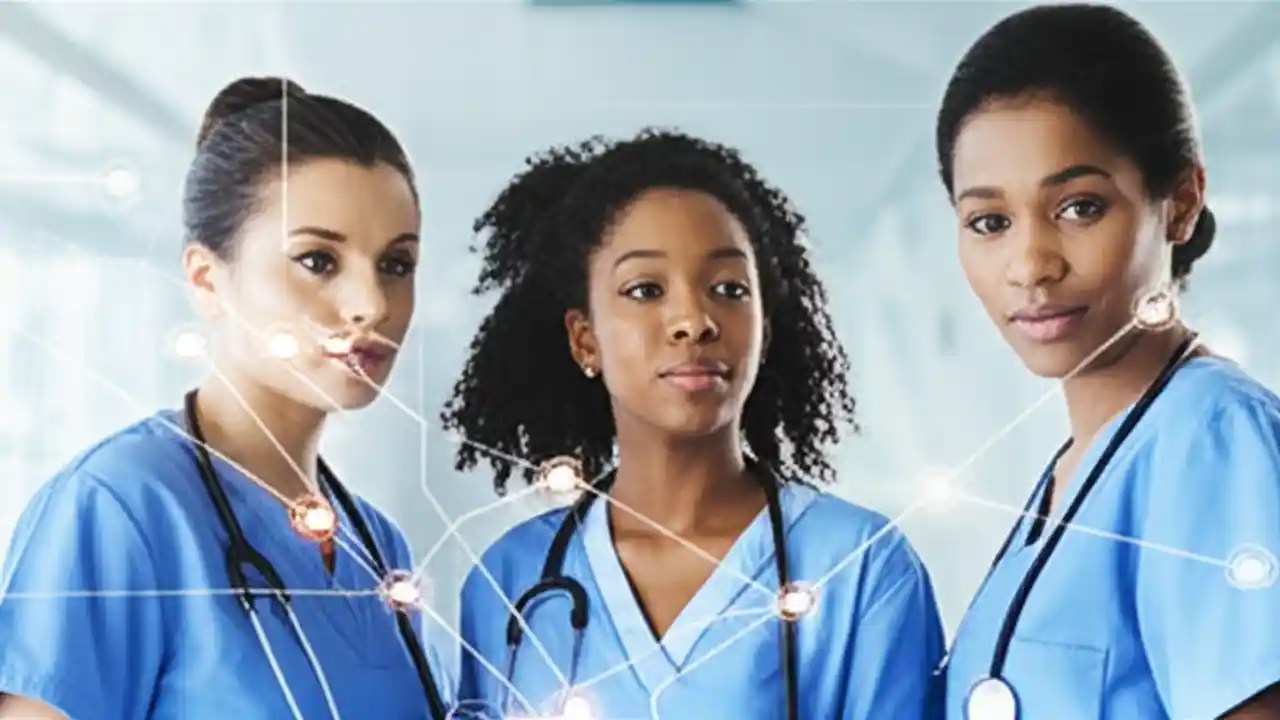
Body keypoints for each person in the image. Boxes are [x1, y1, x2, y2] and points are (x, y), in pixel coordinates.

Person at [440, 129, 945, 719]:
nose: (694, 320)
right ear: (586, 339)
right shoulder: (510, 581)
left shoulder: (860, 566)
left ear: (765, 327)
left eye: (729, 289)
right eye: (646, 289)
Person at [0, 77, 453, 720]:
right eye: (319, 261)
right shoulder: (121, 507)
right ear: (207, 280)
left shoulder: (377, 547)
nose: (371, 305)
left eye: (395, 264)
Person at [934, 5, 1280, 719]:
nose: (1030, 265)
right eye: (990, 222)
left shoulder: (1211, 438)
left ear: (1180, 204)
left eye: (1079, 207)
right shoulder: (1076, 468)